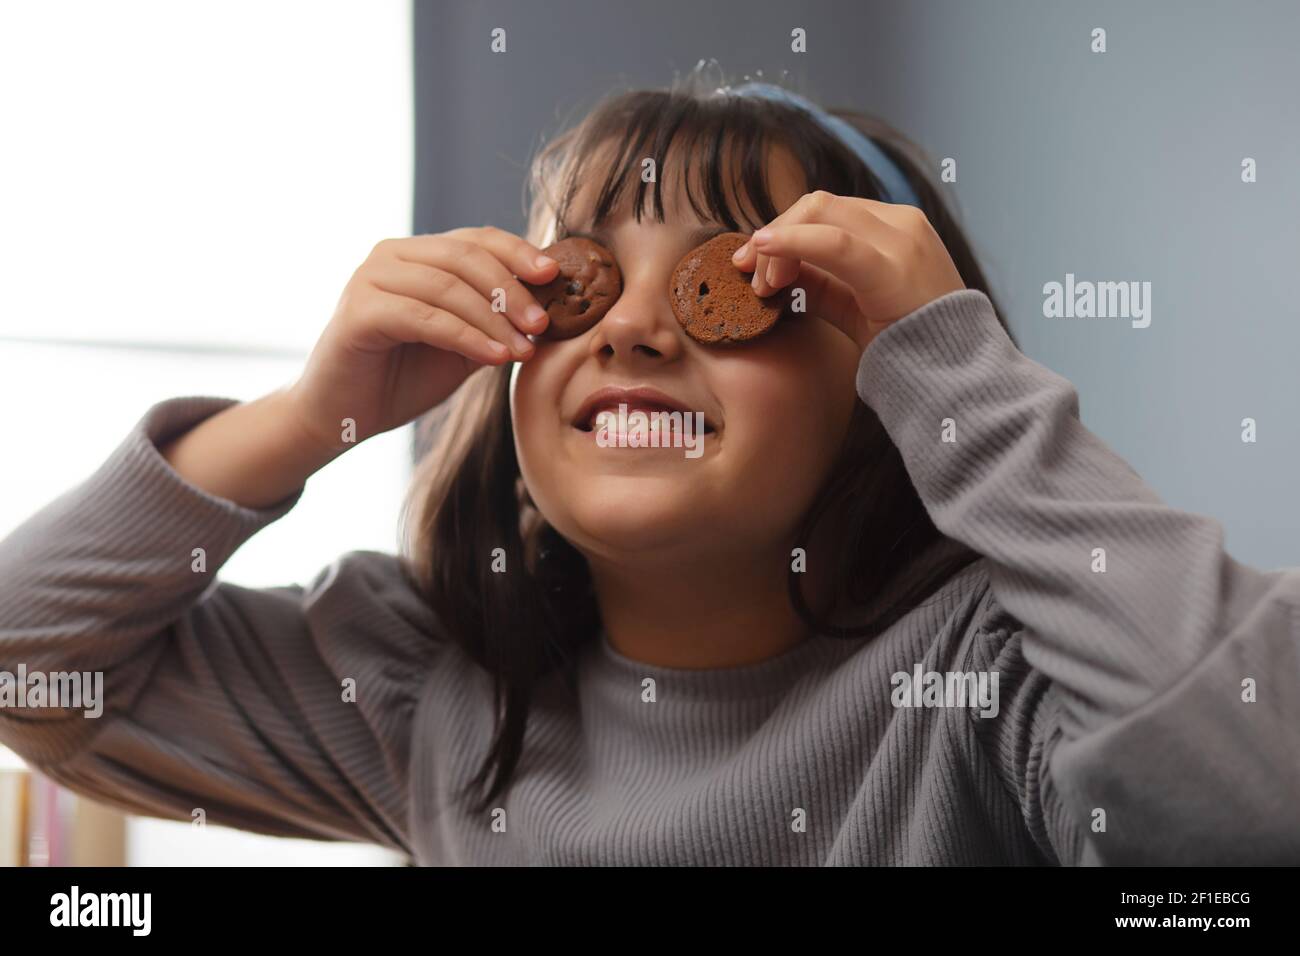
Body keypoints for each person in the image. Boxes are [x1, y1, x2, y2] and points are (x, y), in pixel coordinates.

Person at [1, 74, 1295, 865]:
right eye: (578, 279)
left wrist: (962, 380)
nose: (630, 326)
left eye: (736, 283)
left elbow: (1256, 801)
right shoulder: (429, 690)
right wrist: (306, 418)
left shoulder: (1004, 682)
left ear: (887, 389)